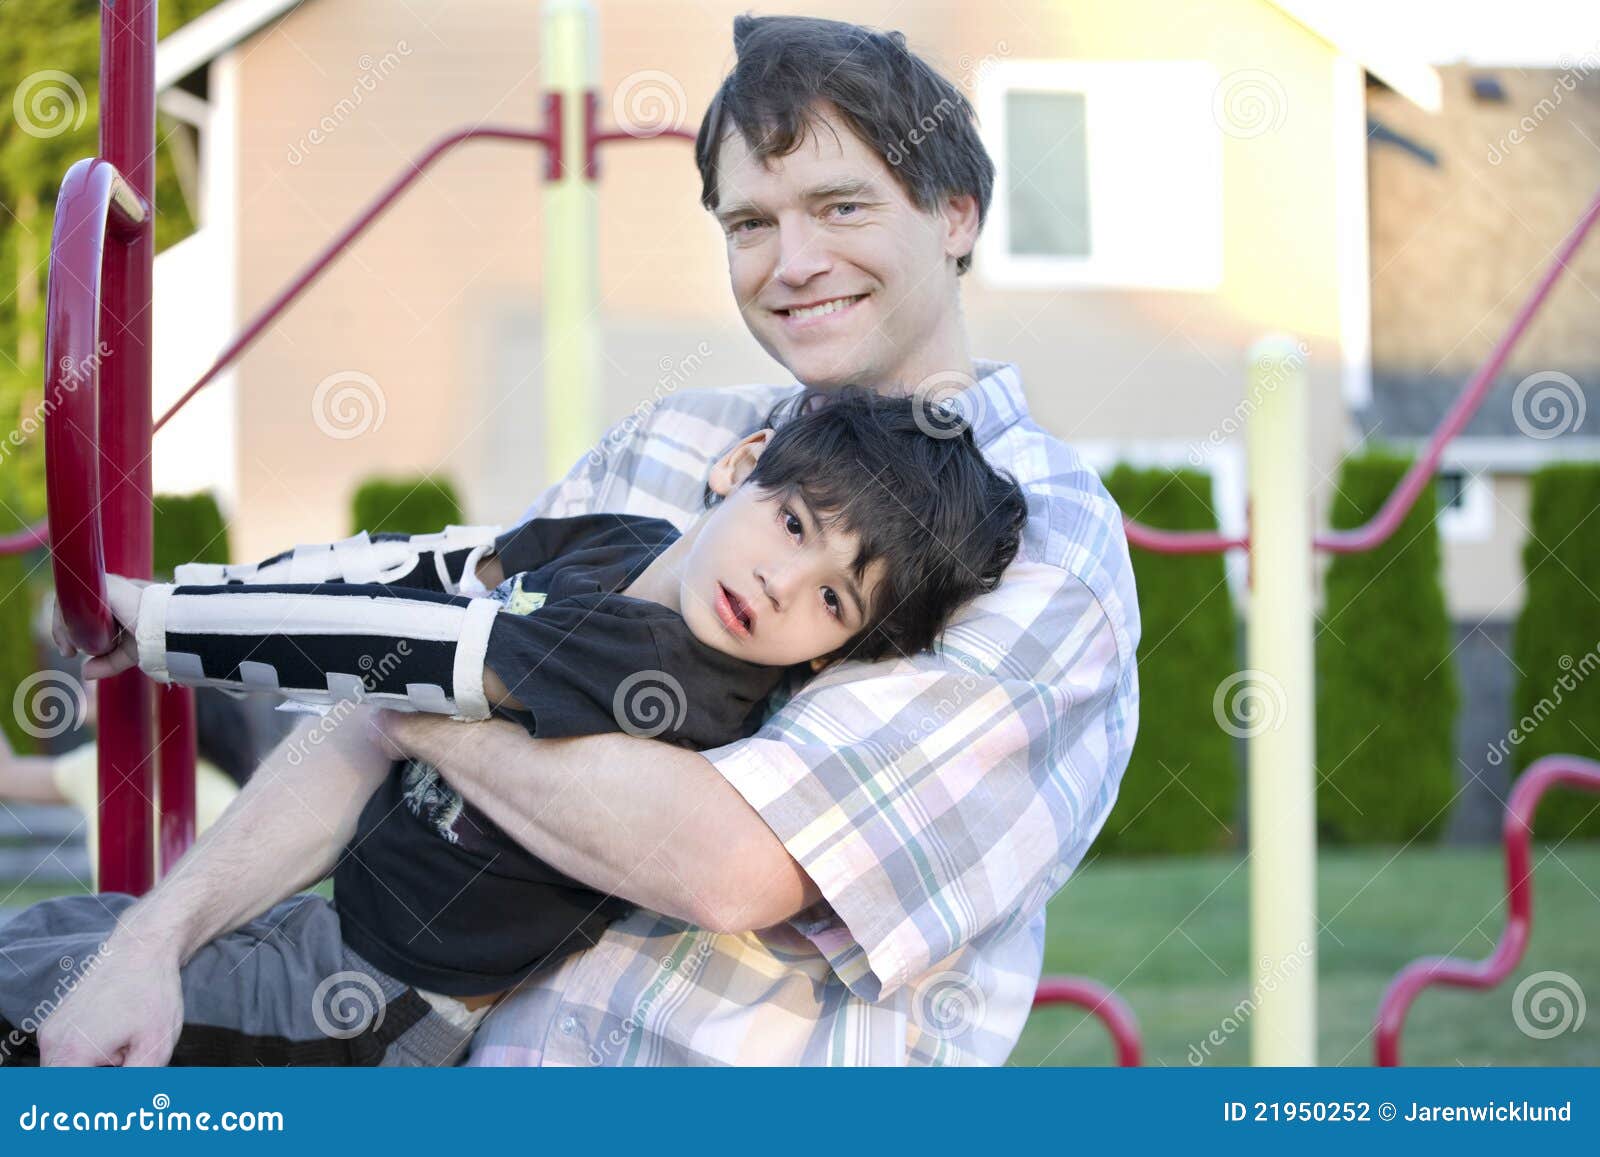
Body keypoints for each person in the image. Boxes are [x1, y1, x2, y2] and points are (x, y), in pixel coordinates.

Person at [16, 13, 1140, 1068]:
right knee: (66, 988)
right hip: (430, 1048)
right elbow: (373, 697)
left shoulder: (1033, 545)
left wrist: (427, 694)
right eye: (750, 222)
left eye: (840, 206)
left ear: (954, 214)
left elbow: (730, 861)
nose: (790, 261)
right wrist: (152, 943)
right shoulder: (677, 440)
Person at [0, 387, 1026, 1065]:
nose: (780, 579)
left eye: (835, 600)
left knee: (34, 1014)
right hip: (323, 924)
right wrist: (192, 598)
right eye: (793, 522)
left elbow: (393, 642)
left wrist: (154, 624)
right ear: (741, 462)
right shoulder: (623, 544)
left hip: (370, 1004)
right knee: (42, 939)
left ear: (827, 652)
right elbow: (420, 569)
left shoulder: (656, 670)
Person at [0, 685, 257, 889]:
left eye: (109, 661)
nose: (88, 672)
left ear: (160, 696)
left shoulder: (214, 801)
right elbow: (6, 776)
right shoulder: (99, 764)